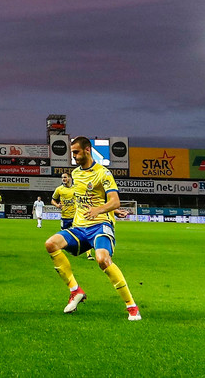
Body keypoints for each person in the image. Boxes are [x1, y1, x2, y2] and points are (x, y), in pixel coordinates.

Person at [43, 136, 141, 321]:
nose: (74, 156)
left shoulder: (103, 173)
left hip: (101, 225)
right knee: (51, 244)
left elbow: (114, 200)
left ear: (87, 150)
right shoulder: (76, 174)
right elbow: (88, 197)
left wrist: (103, 210)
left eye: (76, 152)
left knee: (102, 259)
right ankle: (75, 291)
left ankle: (132, 307)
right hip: (80, 227)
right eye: (72, 153)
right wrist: (110, 209)